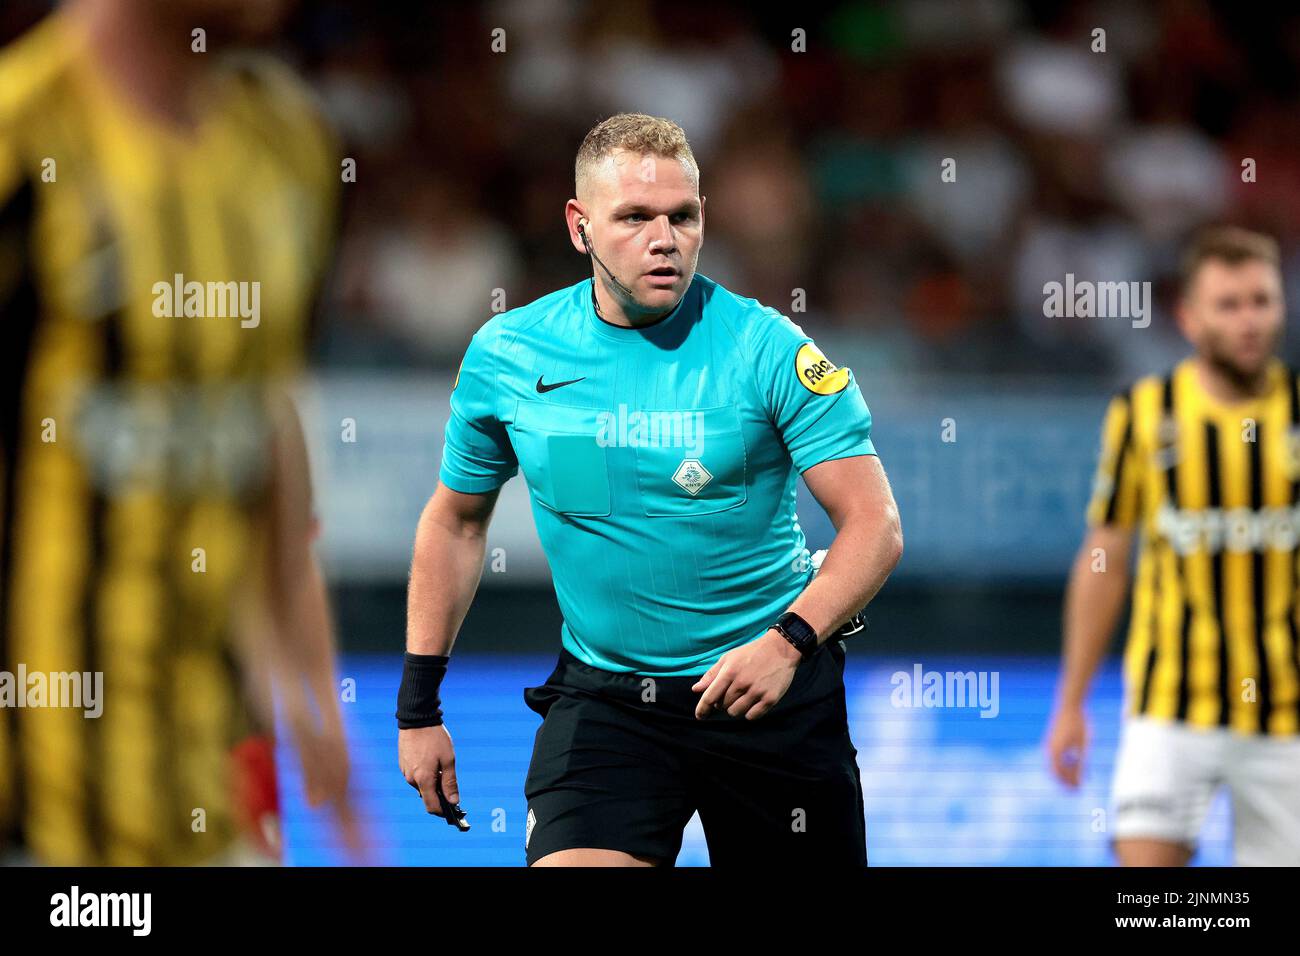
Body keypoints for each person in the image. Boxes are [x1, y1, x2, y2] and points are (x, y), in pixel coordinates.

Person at [398, 112, 903, 867]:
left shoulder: (766, 348)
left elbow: (874, 524)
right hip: (608, 707)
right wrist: (418, 708)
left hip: (770, 696)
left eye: (683, 216)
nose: (663, 238)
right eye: (634, 217)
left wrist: (789, 641)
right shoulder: (509, 354)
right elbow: (457, 524)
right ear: (580, 227)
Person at [0, 0, 353, 865]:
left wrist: (313, 712)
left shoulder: (290, 149)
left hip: (210, 807)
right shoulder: (20, 141)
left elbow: (262, 436)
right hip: (34, 823)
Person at [1048, 226, 1300, 866]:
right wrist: (1072, 701)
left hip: (1288, 719)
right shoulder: (1144, 413)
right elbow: (1104, 561)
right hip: (1170, 705)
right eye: (1229, 304)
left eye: (1261, 301)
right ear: (1189, 317)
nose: (1249, 321)